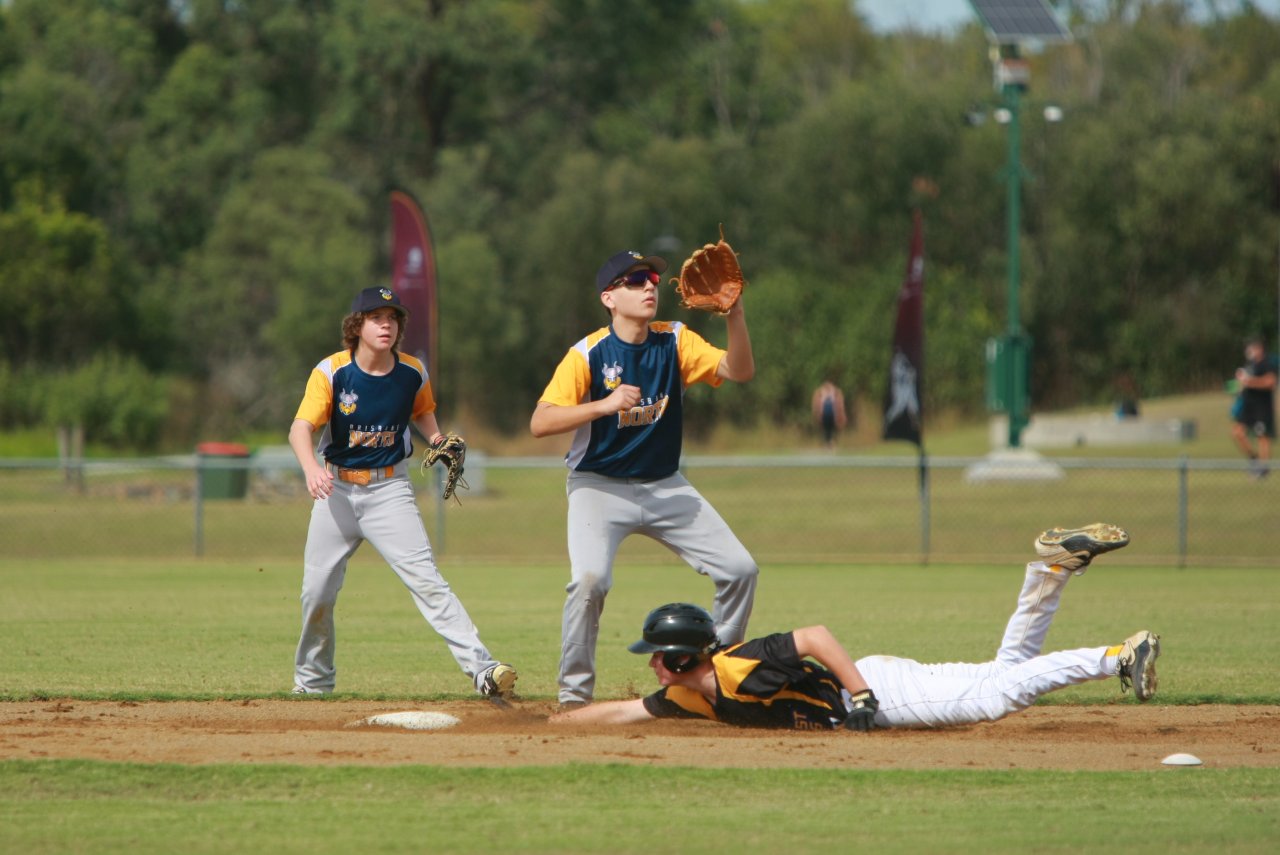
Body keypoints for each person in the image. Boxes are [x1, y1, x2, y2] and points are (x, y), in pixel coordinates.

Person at [550, 523, 1159, 730]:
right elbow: (623, 713)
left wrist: (862, 696)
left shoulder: (738, 665)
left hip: (874, 693)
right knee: (1002, 675)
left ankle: (1116, 656)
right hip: (869, 685)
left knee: (999, 695)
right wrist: (552, 725)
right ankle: (1050, 569)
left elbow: (814, 636)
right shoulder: (691, 695)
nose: (652, 665)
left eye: (658, 656)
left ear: (684, 657)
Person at [530, 248, 759, 708]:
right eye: (635, 281)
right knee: (590, 580)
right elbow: (541, 422)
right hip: (598, 485)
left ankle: (715, 682)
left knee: (740, 570)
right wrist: (603, 404)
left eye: (653, 279)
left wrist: (735, 316)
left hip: (664, 484)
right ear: (609, 297)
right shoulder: (588, 353)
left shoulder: (674, 339)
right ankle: (574, 699)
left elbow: (740, 370)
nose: (650, 287)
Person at [288, 285, 517, 700]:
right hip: (336, 490)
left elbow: (422, 410)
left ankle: (484, 669)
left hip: (389, 489)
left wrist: (438, 439)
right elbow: (300, 428)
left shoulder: (412, 371)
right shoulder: (332, 371)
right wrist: (310, 469)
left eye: (393, 318)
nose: (386, 325)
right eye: (376, 318)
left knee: (427, 581)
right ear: (356, 326)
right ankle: (312, 683)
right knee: (316, 592)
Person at [1230, 336, 1276, 479]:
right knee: (1237, 433)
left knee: (1262, 435)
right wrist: (1240, 382)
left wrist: (1250, 382)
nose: (1250, 350)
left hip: (1262, 407)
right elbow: (1244, 381)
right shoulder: (1249, 364)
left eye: (1253, 347)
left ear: (1260, 348)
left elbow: (1270, 382)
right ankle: (1254, 460)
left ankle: (1263, 469)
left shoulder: (1266, 363)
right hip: (1248, 406)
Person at [811, 380, 848, 448]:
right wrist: (818, 413)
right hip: (825, 414)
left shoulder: (834, 393)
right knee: (826, 428)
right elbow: (818, 405)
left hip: (832, 414)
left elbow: (839, 405)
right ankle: (828, 443)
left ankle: (830, 442)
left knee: (831, 428)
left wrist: (840, 414)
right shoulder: (822, 394)